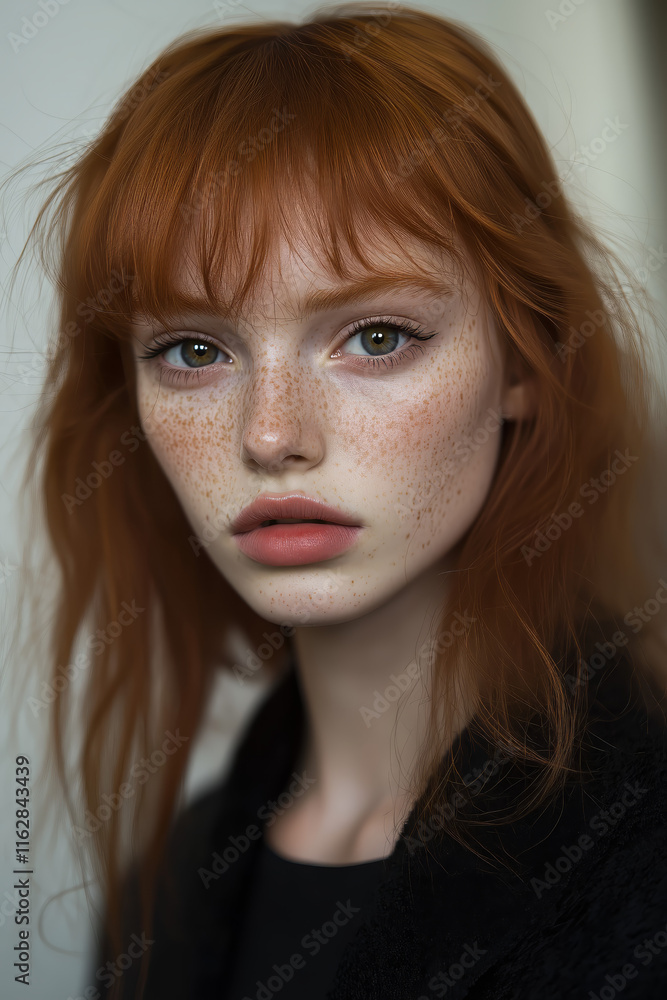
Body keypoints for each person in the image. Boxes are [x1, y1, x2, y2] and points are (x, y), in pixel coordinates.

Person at [10, 3, 667, 998]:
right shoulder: (169, 888)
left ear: (524, 363)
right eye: (194, 350)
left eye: (375, 336)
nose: (270, 435)